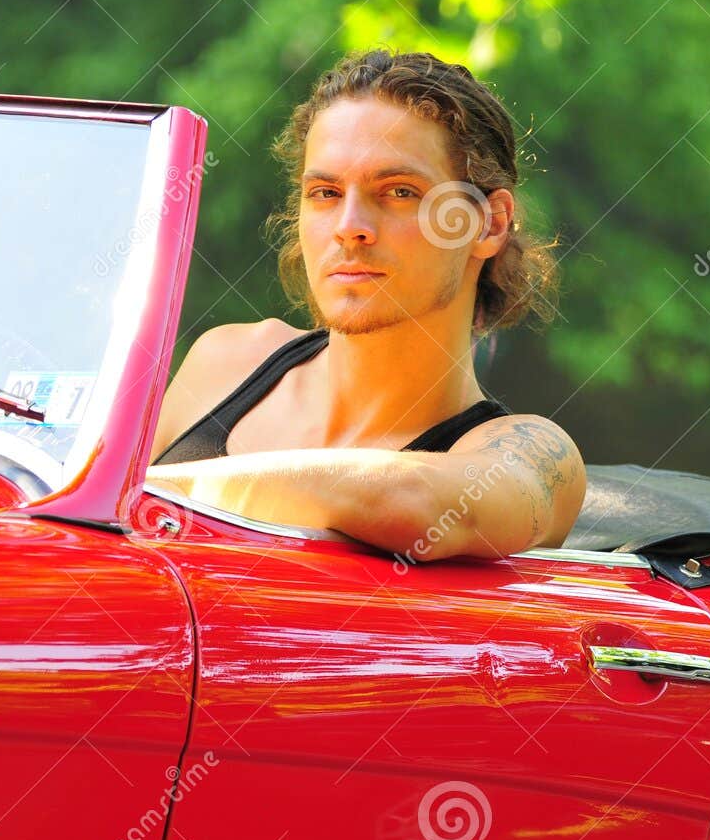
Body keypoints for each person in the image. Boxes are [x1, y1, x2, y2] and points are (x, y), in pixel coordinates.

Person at [145, 49, 585, 562]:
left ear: (488, 224)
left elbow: (411, 500)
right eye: (325, 192)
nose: (349, 226)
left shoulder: (531, 452)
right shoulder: (227, 359)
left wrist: (139, 491)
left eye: (398, 191)